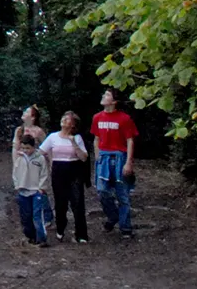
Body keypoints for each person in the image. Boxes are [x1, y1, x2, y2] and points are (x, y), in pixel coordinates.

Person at [91, 88, 139, 237]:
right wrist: (97, 155)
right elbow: (96, 138)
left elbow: (130, 140)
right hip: (103, 157)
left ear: (114, 101)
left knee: (122, 194)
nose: (103, 96)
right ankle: (113, 216)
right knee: (102, 191)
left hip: (119, 157)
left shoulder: (124, 119)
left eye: (107, 95)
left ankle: (125, 228)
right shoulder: (97, 117)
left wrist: (128, 162)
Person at [41, 111, 92, 243]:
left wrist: (74, 143)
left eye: (68, 119)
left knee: (77, 202)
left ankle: (81, 234)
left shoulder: (78, 138)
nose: (64, 120)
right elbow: (41, 151)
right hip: (58, 170)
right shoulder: (53, 137)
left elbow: (84, 157)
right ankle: (60, 229)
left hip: (74, 170)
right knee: (60, 203)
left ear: (73, 125)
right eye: (63, 118)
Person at [12, 116, 53, 247]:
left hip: (36, 191)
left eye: (28, 148)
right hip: (23, 190)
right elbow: (15, 172)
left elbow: (44, 173)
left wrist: (41, 188)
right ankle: (30, 236)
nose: (25, 151)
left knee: (37, 215)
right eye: (23, 148)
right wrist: (17, 185)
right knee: (26, 216)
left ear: (34, 147)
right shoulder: (20, 158)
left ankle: (42, 238)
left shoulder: (39, 158)